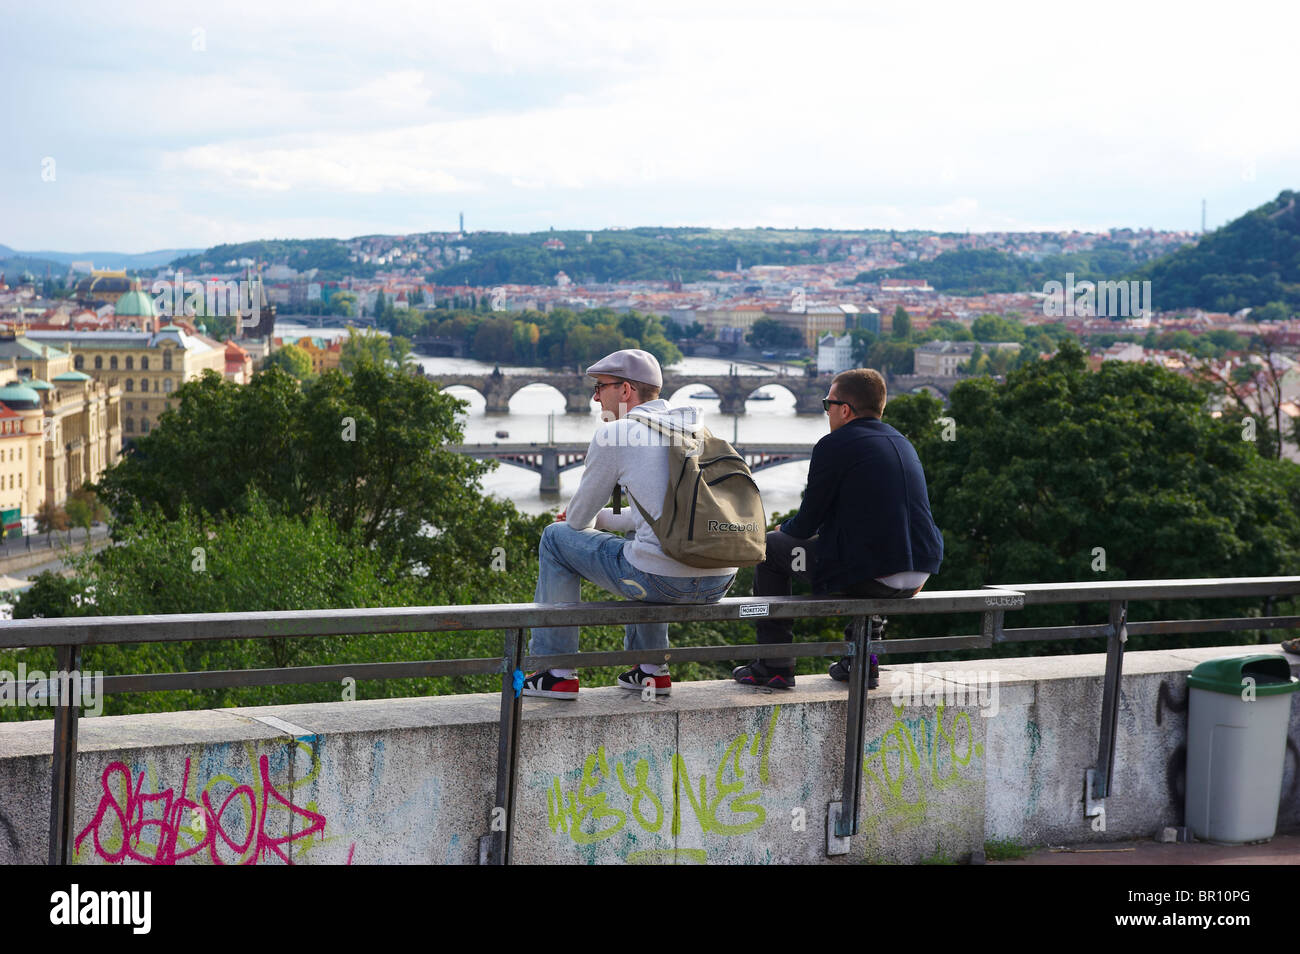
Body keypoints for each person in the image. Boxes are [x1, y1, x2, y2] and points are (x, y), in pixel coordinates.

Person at [523, 349, 737, 700]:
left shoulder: (617, 433)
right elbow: (665, 516)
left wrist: (584, 517)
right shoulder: (697, 427)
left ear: (625, 391)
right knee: (646, 541)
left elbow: (578, 521)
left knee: (555, 537)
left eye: (599, 387)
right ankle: (651, 671)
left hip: (663, 583)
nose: (594, 397)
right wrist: (607, 518)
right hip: (719, 580)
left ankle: (555, 671)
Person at [733, 367, 943, 690]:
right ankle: (862, 660)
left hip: (878, 574)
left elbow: (805, 524)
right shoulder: (902, 442)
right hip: (918, 572)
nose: (826, 411)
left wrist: (783, 529)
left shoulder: (834, 445)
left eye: (827, 404)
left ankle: (775, 664)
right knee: (862, 551)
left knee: (771, 548)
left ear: (844, 409)